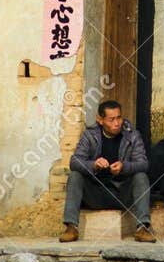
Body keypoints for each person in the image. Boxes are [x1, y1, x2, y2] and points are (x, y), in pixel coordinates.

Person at [60, 98, 156, 243]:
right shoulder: (90, 135)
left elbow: (143, 164)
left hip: (122, 194)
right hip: (96, 193)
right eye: (111, 119)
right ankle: (71, 227)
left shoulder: (132, 135)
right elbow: (74, 162)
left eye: (119, 118)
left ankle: (143, 228)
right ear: (100, 120)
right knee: (75, 175)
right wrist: (94, 165)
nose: (116, 123)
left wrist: (124, 166)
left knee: (141, 176)